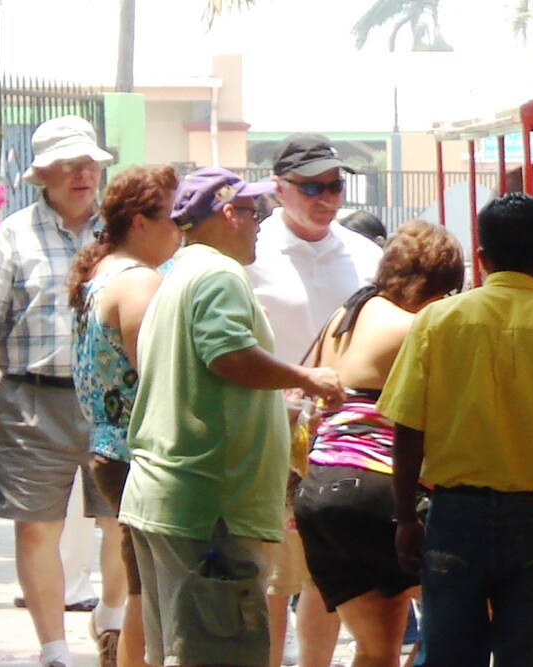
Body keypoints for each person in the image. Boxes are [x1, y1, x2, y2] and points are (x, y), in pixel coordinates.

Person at [380, 194, 533, 665]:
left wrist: (407, 518)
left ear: (481, 258)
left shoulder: (437, 322)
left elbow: (407, 429)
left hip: (455, 518)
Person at [118, 168, 344, 667]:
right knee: (217, 654)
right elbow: (227, 354)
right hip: (208, 506)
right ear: (226, 214)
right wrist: (309, 379)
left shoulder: (180, 273)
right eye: (252, 211)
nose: (261, 222)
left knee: (177, 652)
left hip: (173, 501)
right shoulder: (219, 274)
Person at [0, 116, 119, 667]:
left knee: (125, 520)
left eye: (90, 164)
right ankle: (54, 650)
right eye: (70, 165)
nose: (83, 174)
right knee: (36, 527)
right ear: (42, 174)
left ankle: (114, 620)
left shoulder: (118, 234)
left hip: (113, 402)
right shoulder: (12, 237)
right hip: (31, 400)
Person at [293, 222, 462, 667]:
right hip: (377, 486)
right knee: (471, 613)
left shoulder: (343, 317)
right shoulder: (418, 326)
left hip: (318, 494)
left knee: (376, 648)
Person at [246, 133, 381, 667]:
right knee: (274, 576)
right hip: (271, 434)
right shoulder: (249, 253)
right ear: (278, 189)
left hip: (347, 438)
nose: (326, 199)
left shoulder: (367, 256)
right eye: (311, 188)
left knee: (331, 573)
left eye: (334, 186)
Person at [68, 165, 183, 667]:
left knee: (143, 587)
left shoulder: (104, 271)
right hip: (139, 452)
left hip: (112, 448)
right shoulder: (138, 281)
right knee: (149, 593)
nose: (181, 230)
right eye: (173, 217)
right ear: (140, 221)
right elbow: (159, 377)